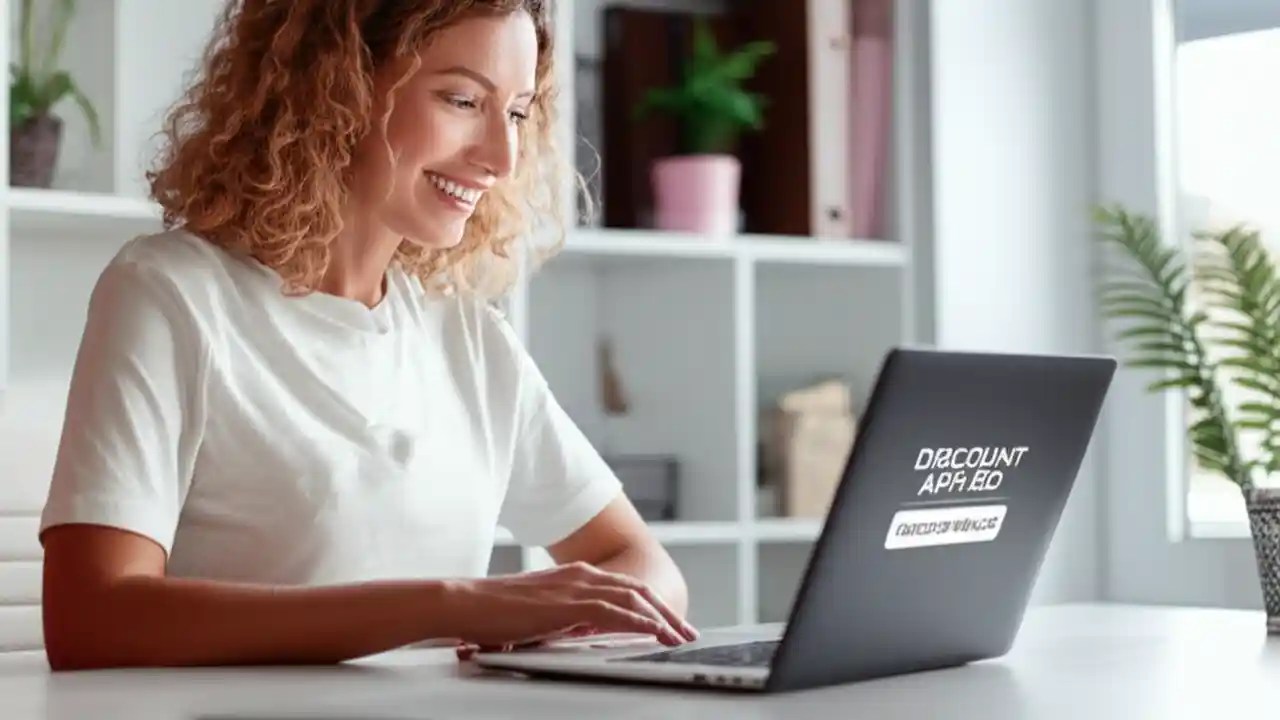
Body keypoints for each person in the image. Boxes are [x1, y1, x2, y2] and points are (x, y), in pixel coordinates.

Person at [37, 0, 698, 671]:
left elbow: (647, 568)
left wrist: (562, 626)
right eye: (463, 100)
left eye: (518, 112)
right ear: (336, 88)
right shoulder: (172, 293)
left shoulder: (465, 334)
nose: (500, 156)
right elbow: (92, 619)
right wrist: (450, 605)